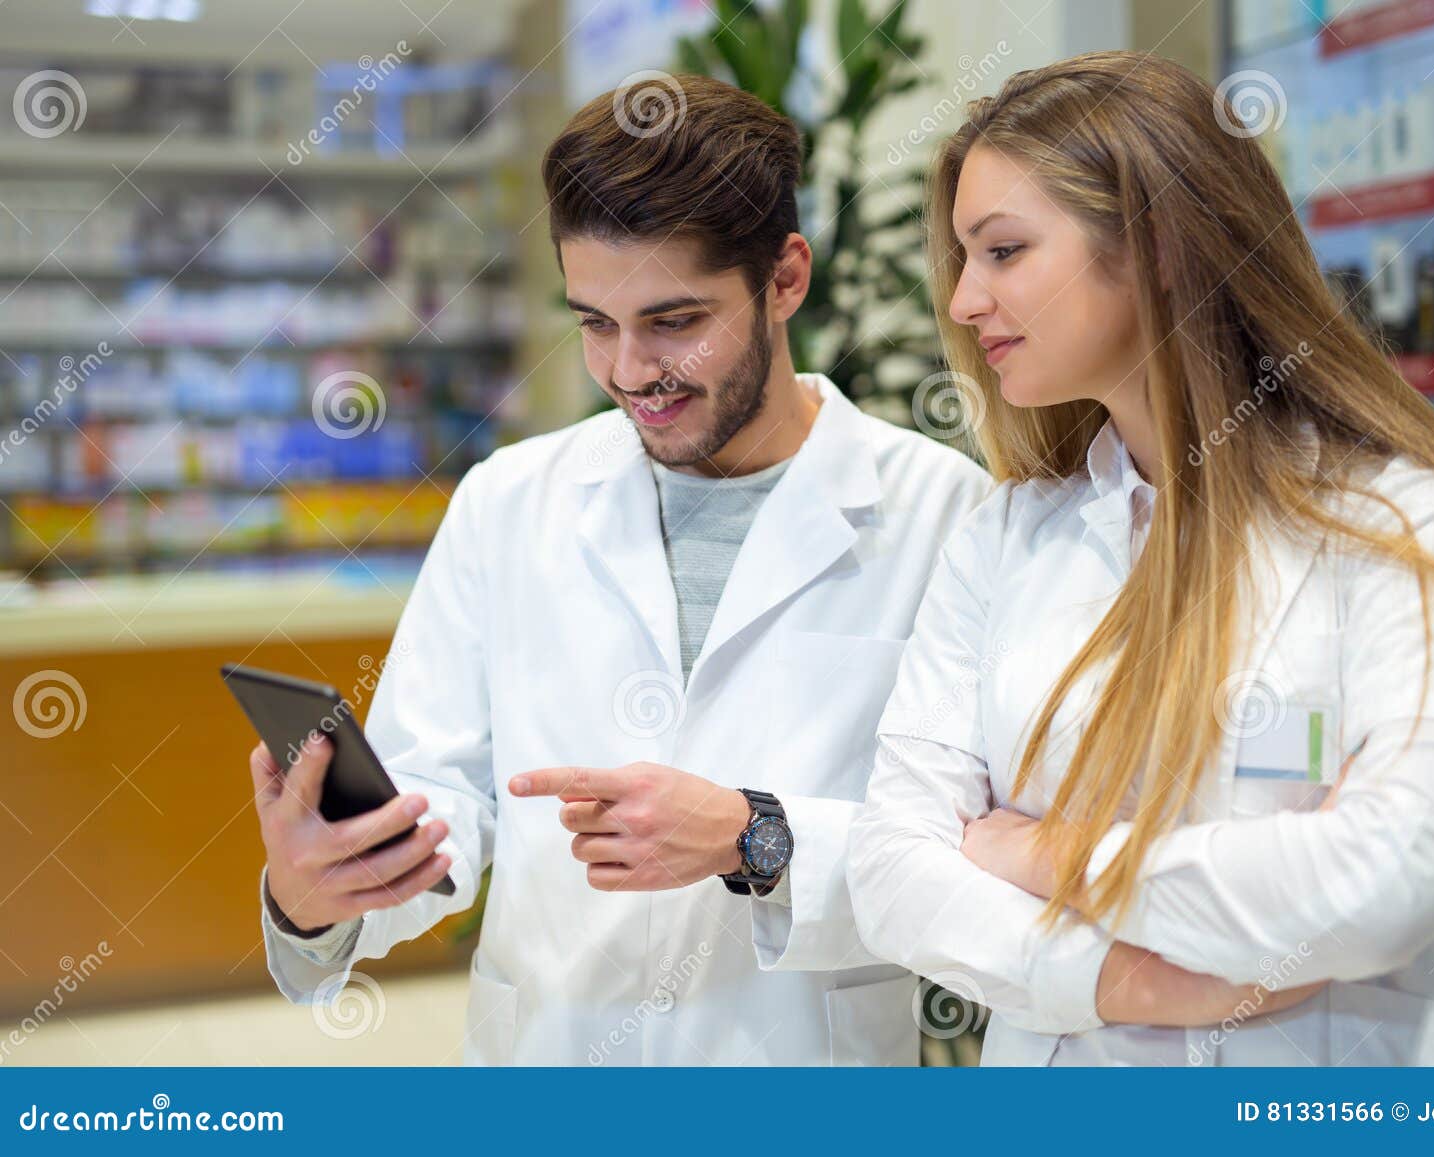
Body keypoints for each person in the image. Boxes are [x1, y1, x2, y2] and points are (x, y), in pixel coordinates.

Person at [245, 73, 995, 1066]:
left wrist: (754, 835)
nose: (630, 369)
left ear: (784, 278)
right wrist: (320, 898)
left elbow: (981, 861)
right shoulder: (510, 500)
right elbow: (439, 800)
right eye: (595, 321)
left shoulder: (945, 513)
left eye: (675, 321)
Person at [847, 52, 1434, 1066]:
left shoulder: (1406, 522)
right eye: (964, 258)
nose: (964, 300)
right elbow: (890, 874)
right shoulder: (1003, 538)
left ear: (1160, 245)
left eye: (1003, 251)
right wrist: (1122, 979)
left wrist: (1037, 848)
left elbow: (1383, 884)